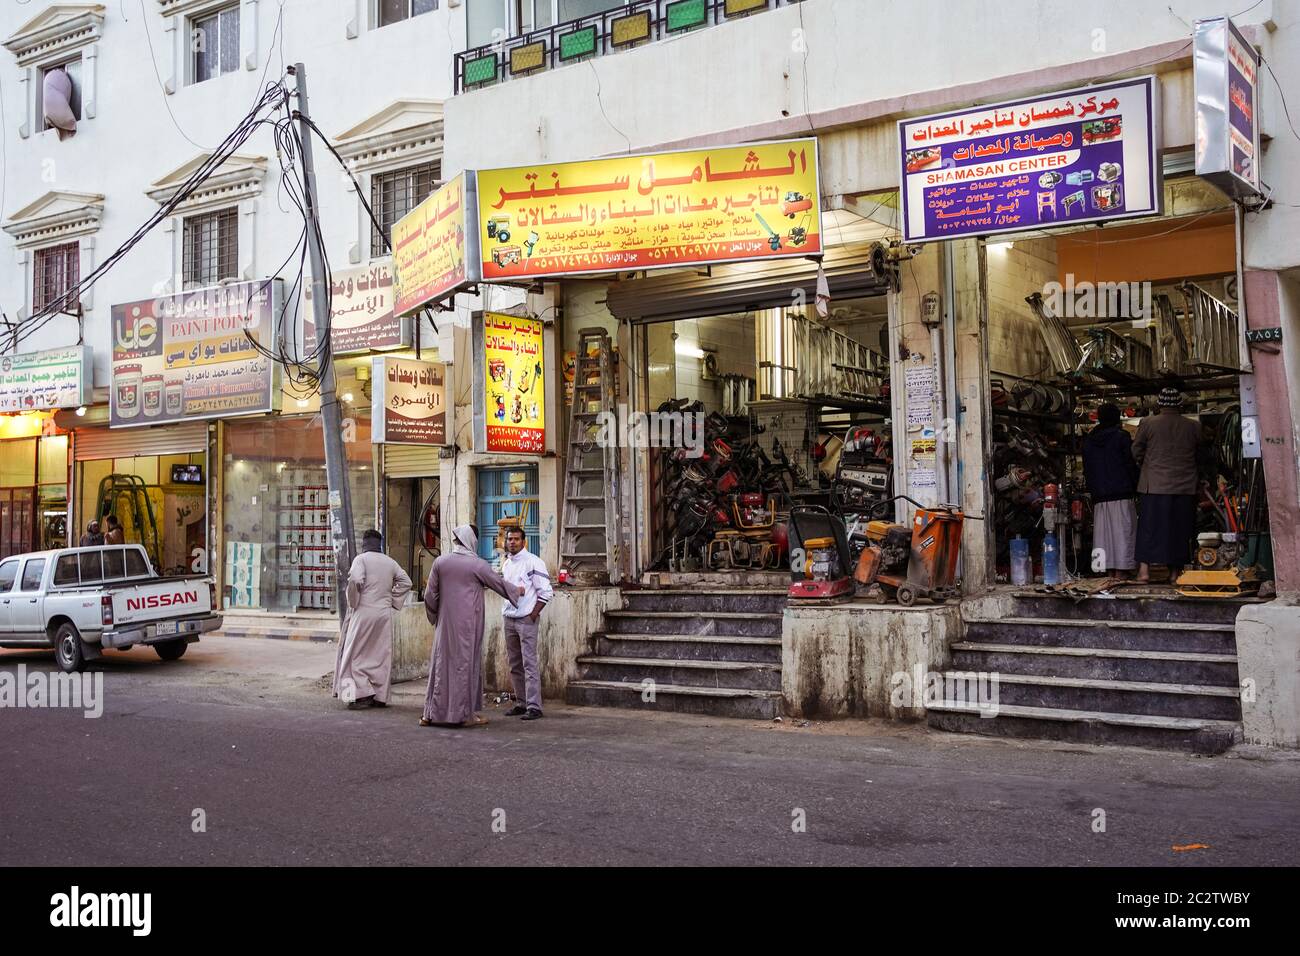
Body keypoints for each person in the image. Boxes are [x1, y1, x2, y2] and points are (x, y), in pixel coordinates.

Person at [420, 525, 521, 728]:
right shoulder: (477, 564)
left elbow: (430, 595)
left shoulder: (440, 562)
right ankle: (464, 715)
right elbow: (498, 584)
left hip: (445, 622)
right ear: (471, 540)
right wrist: (518, 590)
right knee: (464, 666)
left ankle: (429, 714)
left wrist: (436, 617)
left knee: (440, 664)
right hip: (468, 624)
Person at [333, 530, 412, 710]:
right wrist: (392, 600)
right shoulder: (390, 562)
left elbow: (355, 579)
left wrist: (354, 601)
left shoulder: (361, 559)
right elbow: (406, 582)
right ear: (379, 543)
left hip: (363, 613)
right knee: (380, 655)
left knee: (353, 654)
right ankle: (380, 697)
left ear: (364, 543)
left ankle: (356, 696)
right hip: (384, 614)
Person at [1133, 388, 1201, 583]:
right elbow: (1201, 455)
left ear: (1159, 404)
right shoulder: (1193, 426)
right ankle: (1174, 574)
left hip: (1153, 486)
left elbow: (1136, 449)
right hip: (1184, 486)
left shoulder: (1148, 423)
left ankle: (1144, 572)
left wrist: (1145, 464)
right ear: (1180, 405)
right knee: (1179, 530)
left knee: (1148, 529)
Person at [500, 526, 553, 721]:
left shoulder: (533, 562)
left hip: (526, 619)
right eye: (509, 539)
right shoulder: (506, 564)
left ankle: (534, 706)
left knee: (529, 662)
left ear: (524, 541)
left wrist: (532, 615)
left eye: (515, 539)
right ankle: (521, 702)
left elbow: (546, 592)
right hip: (509, 618)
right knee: (515, 663)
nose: (512, 542)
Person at [1082, 402, 1139, 577]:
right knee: (1123, 535)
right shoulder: (1122, 437)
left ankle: (1107, 573)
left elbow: (1087, 468)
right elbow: (1130, 464)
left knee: (1103, 537)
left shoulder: (1089, 441)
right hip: (1121, 492)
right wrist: (1137, 485)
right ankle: (1121, 572)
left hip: (1099, 496)